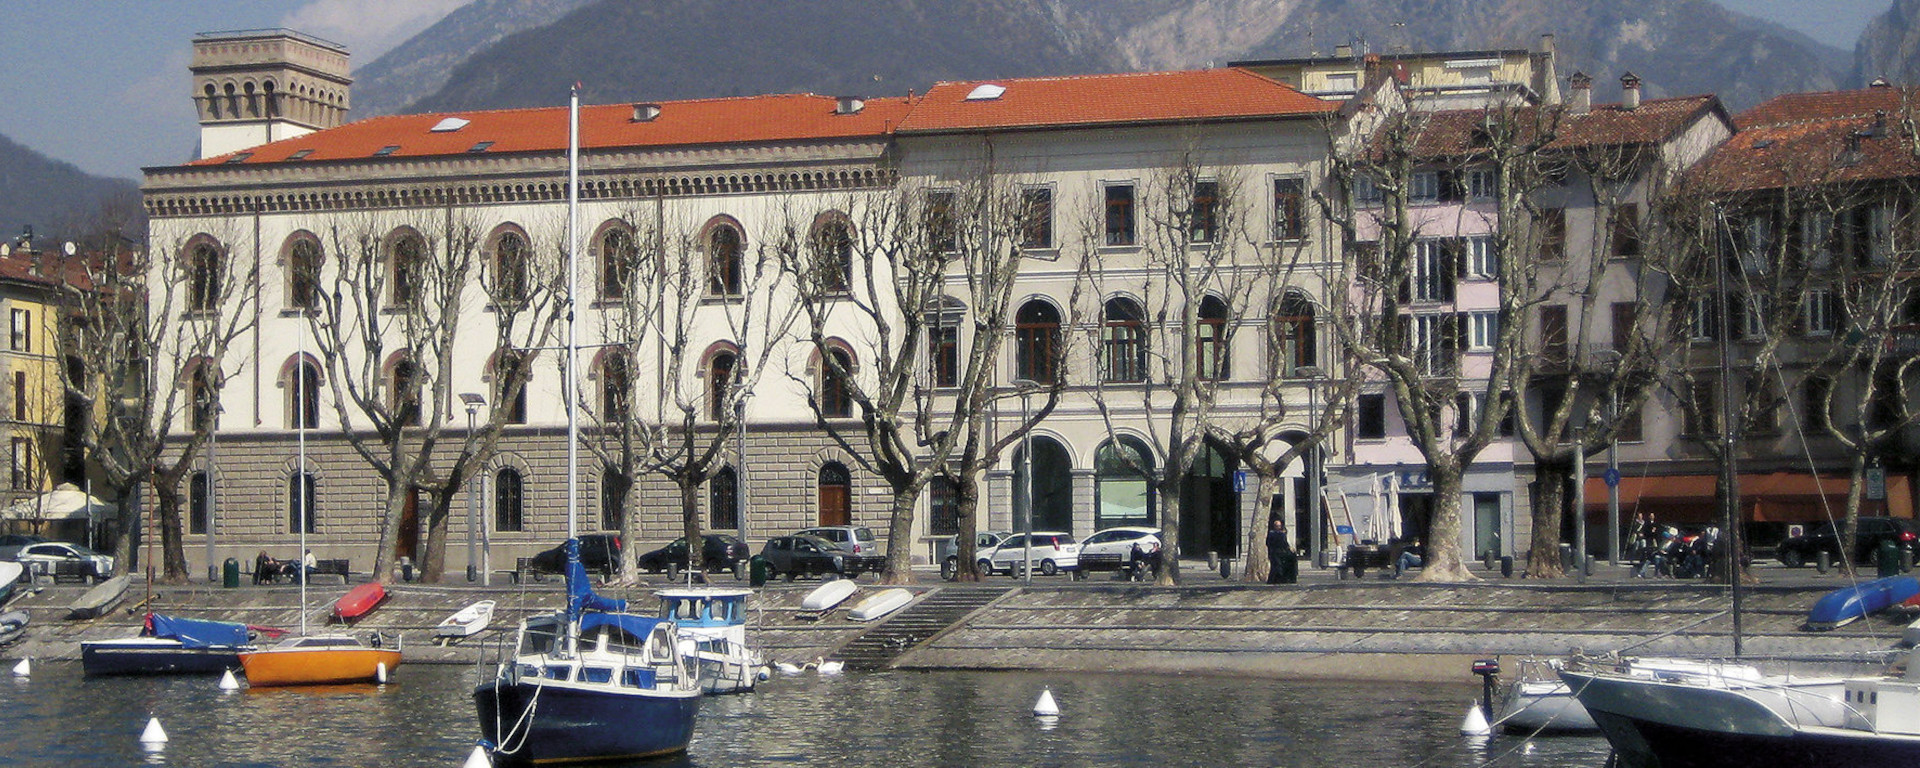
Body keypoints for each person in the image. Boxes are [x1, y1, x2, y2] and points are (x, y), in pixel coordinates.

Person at [1266, 518, 1298, 585]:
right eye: (1277, 526)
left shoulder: (1274, 534)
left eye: (1279, 526)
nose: (1279, 527)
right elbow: (1284, 544)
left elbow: (1268, 543)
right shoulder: (1278, 534)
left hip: (1276, 553)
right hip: (1278, 553)